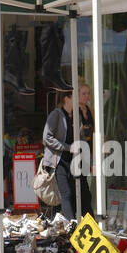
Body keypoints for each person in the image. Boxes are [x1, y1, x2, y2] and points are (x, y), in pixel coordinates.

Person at [42, 90, 91, 219]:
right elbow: (47, 137)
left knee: (83, 192)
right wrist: (68, 147)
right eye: (75, 96)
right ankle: (71, 226)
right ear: (66, 99)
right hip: (59, 160)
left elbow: (80, 137)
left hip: (74, 160)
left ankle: (89, 224)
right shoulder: (56, 114)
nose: (77, 99)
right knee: (66, 193)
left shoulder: (76, 116)